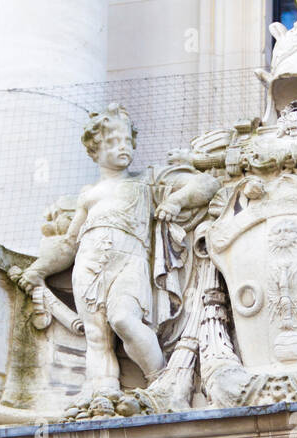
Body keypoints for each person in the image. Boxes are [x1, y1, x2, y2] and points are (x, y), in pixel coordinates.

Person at [17, 104, 216, 400]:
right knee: (97, 336)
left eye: (126, 141)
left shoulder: (147, 181)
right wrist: (39, 270)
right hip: (89, 265)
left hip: (130, 262)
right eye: (112, 142)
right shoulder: (87, 196)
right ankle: (102, 395)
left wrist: (177, 201)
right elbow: (69, 244)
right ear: (95, 150)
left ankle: (162, 384)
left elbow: (207, 183)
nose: (122, 147)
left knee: (123, 318)